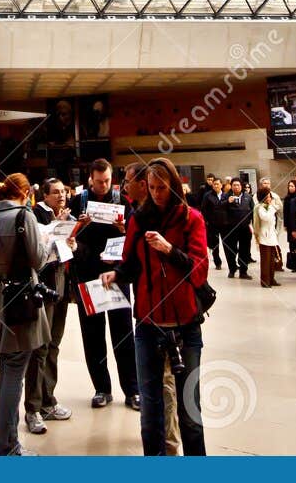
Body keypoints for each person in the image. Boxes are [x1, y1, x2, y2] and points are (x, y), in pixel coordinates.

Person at [102, 157, 210, 456]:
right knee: (150, 412)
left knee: (190, 412)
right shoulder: (139, 218)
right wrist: (118, 274)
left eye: (162, 188)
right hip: (148, 325)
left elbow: (199, 269)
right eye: (151, 188)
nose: (157, 194)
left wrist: (169, 250)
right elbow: (132, 262)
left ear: (174, 186)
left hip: (185, 325)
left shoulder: (192, 219)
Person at [0, 173, 53, 456]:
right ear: (25, 192)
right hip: (23, 297)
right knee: (15, 369)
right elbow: (38, 259)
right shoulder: (25, 217)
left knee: (7, 366)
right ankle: (6, 446)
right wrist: (49, 244)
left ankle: (7, 441)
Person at [67, 158, 138, 410]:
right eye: (98, 182)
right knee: (93, 335)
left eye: (107, 180)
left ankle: (132, 390)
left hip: (116, 275)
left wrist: (123, 229)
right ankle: (101, 388)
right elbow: (68, 239)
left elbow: (133, 237)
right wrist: (79, 226)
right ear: (90, 179)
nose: (103, 185)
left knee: (123, 335)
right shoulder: (79, 202)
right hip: (88, 276)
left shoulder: (122, 201)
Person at [24, 178, 74, 435]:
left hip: (61, 286)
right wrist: (59, 228)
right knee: (39, 348)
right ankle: (32, 408)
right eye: (56, 192)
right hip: (44, 288)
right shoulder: (35, 215)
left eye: (63, 192)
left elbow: (63, 248)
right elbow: (38, 250)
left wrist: (70, 242)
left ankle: (48, 400)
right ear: (44, 195)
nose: (61, 196)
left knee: (53, 345)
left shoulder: (66, 216)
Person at [220, 177, 253, 278]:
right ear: (231, 186)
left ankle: (243, 271)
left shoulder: (248, 197)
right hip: (230, 229)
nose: (236, 187)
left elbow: (253, 211)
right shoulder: (225, 196)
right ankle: (232, 269)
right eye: (234, 185)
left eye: (238, 185)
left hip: (244, 228)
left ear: (241, 186)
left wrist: (252, 226)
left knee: (245, 250)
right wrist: (227, 202)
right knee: (230, 250)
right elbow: (219, 208)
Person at [251, 186, 281, 287]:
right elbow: (266, 218)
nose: (270, 199)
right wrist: (272, 208)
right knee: (265, 260)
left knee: (272, 260)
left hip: (271, 236)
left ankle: (271, 279)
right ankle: (265, 281)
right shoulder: (260, 207)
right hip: (264, 236)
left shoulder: (268, 207)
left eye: (270, 197)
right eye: (268, 197)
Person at [200, 174, 227, 269]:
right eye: (214, 184)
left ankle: (231, 263)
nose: (216, 186)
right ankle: (217, 262)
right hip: (212, 224)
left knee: (227, 244)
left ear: (221, 185)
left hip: (224, 223)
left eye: (217, 184)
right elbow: (203, 209)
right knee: (215, 244)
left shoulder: (226, 195)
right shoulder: (207, 196)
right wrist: (206, 221)